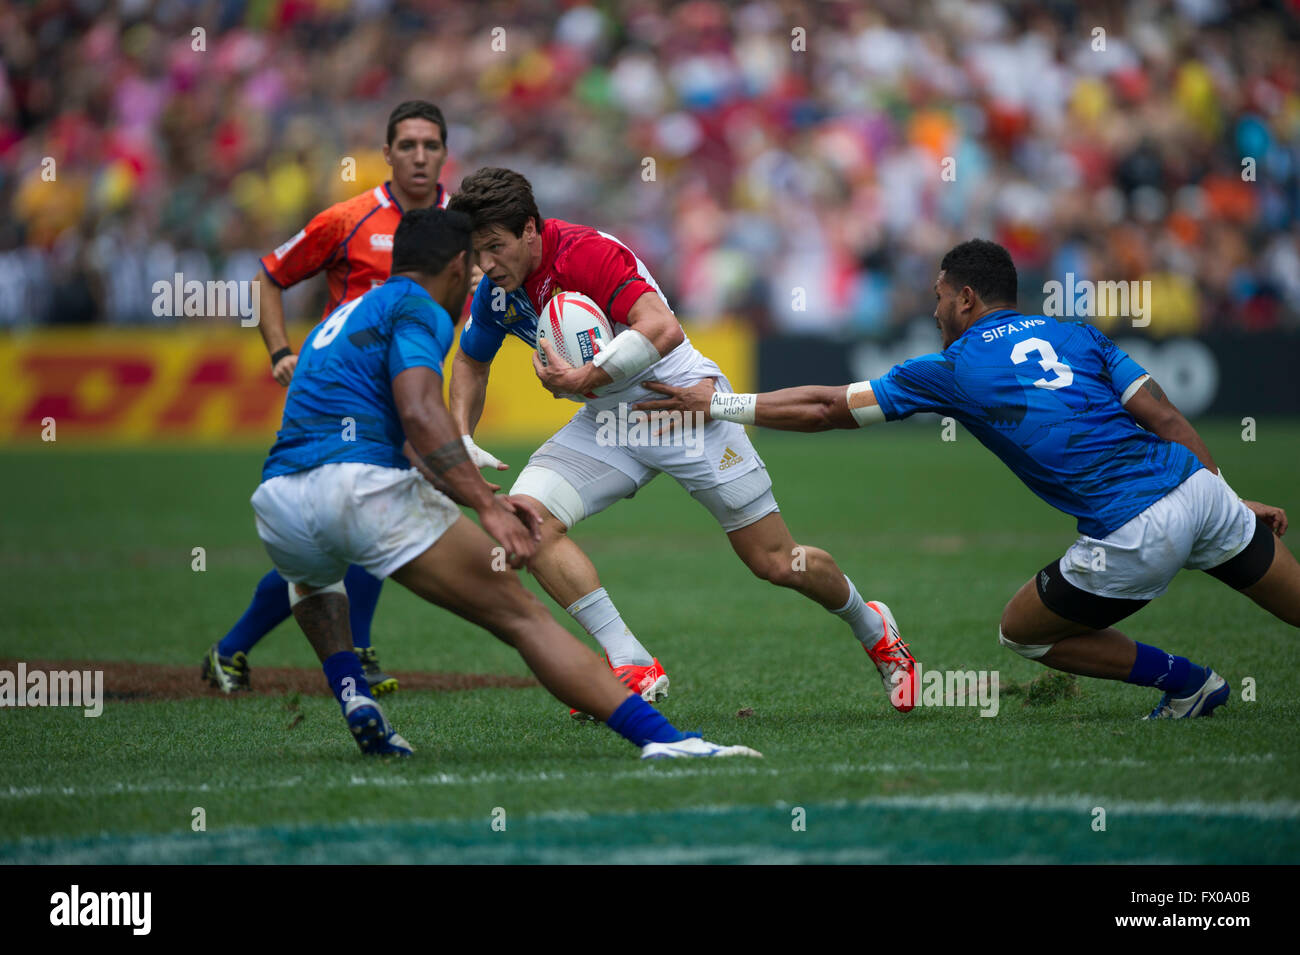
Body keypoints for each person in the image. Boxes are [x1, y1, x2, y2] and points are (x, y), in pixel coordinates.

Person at [634, 238, 1300, 719]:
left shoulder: (952, 366)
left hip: (1134, 526)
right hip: (1200, 491)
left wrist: (717, 402)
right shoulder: (1078, 335)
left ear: (968, 297)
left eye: (939, 298)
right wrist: (1226, 494)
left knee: (1024, 632)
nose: (934, 311)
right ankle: (1197, 680)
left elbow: (827, 407)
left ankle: (1188, 682)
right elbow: (1165, 416)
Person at [250, 206, 759, 759]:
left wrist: (443, 472)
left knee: (318, 591)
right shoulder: (419, 311)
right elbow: (421, 411)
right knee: (522, 616)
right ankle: (665, 741)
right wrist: (483, 505)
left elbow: (380, 424)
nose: (480, 276)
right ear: (452, 267)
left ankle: (355, 698)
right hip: (355, 488)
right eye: (472, 263)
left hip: (278, 498)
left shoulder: (346, 315)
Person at [447, 168, 916, 717]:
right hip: (608, 424)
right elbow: (471, 363)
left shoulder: (585, 253)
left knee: (775, 561)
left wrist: (585, 378)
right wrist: (460, 435)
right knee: (526, 519)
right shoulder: (497, 290)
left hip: (683, 406)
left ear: (530, 228)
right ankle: (630, 661)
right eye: (477, 252)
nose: (485, 265)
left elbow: (663, 327)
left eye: (495, 248)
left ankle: (874, 626)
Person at [202, 100, 452, 697]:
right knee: (369, 518)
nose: (420, 156)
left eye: (431, 145)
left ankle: (232, 649)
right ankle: (356, 652)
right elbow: (271, 274)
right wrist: (279, 351)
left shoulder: (460, 221)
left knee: (340, 535)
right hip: (344, 395)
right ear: (386, 152)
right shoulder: (349, 219)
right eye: (408, 145)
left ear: (445, 152)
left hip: (409, 390)